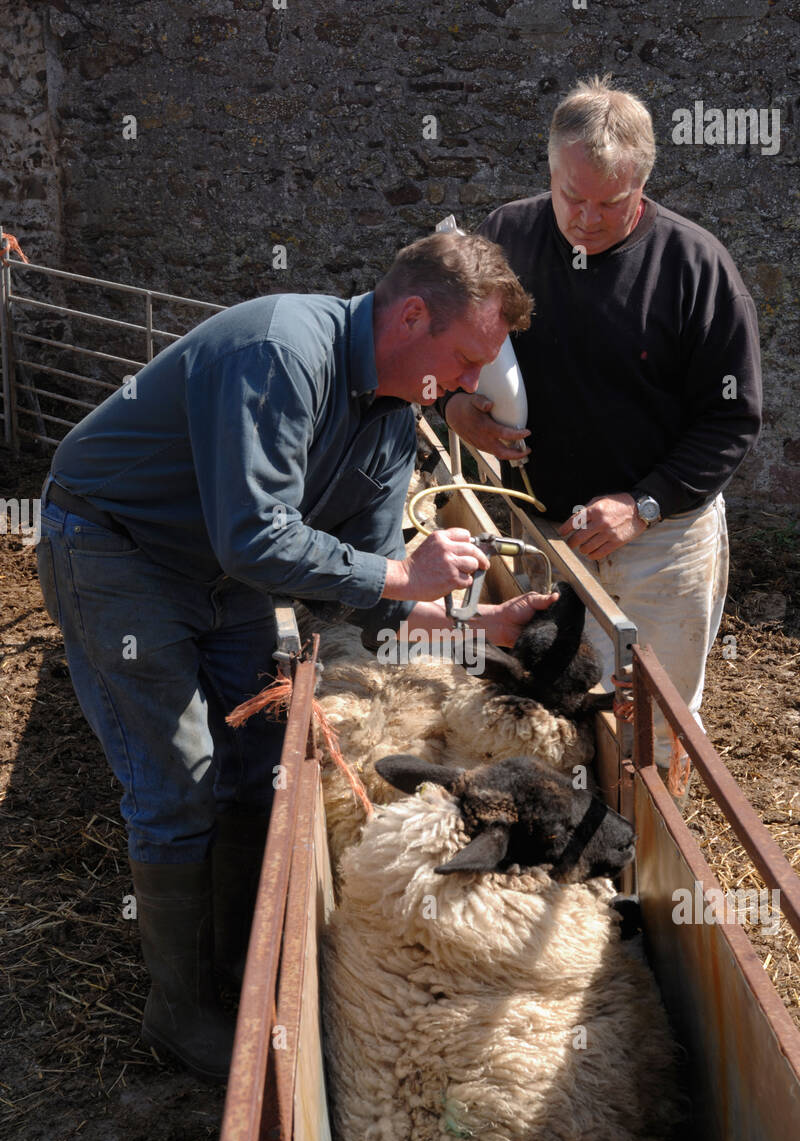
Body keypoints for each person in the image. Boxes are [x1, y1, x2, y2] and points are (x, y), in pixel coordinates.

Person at [35, 232, 552, 1081]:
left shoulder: (392, 421)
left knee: (253, 762)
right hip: (115, 547)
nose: (469, 386)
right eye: (463, 359)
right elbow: (257, 537)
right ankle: (181, 1011)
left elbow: (364, 600)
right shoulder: (279, 351)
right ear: (412, 314)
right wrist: (396, 571)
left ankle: (242, 970)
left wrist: (481, 624)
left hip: (219, 570)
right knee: (180, 774)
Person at [443, 76, 762, 773]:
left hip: (664, 542)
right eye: (570, 196)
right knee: (547, 707)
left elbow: (731, 416)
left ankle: (655, 860)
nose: (585, 219)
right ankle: (574, 863)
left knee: (655, 716)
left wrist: (643, 503)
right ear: (549, 168)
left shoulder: (694, 266)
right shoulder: (505, 236)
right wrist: (455, 407)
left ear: (641, 184)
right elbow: (451, 344)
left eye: (609, 203)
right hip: (543, 527)